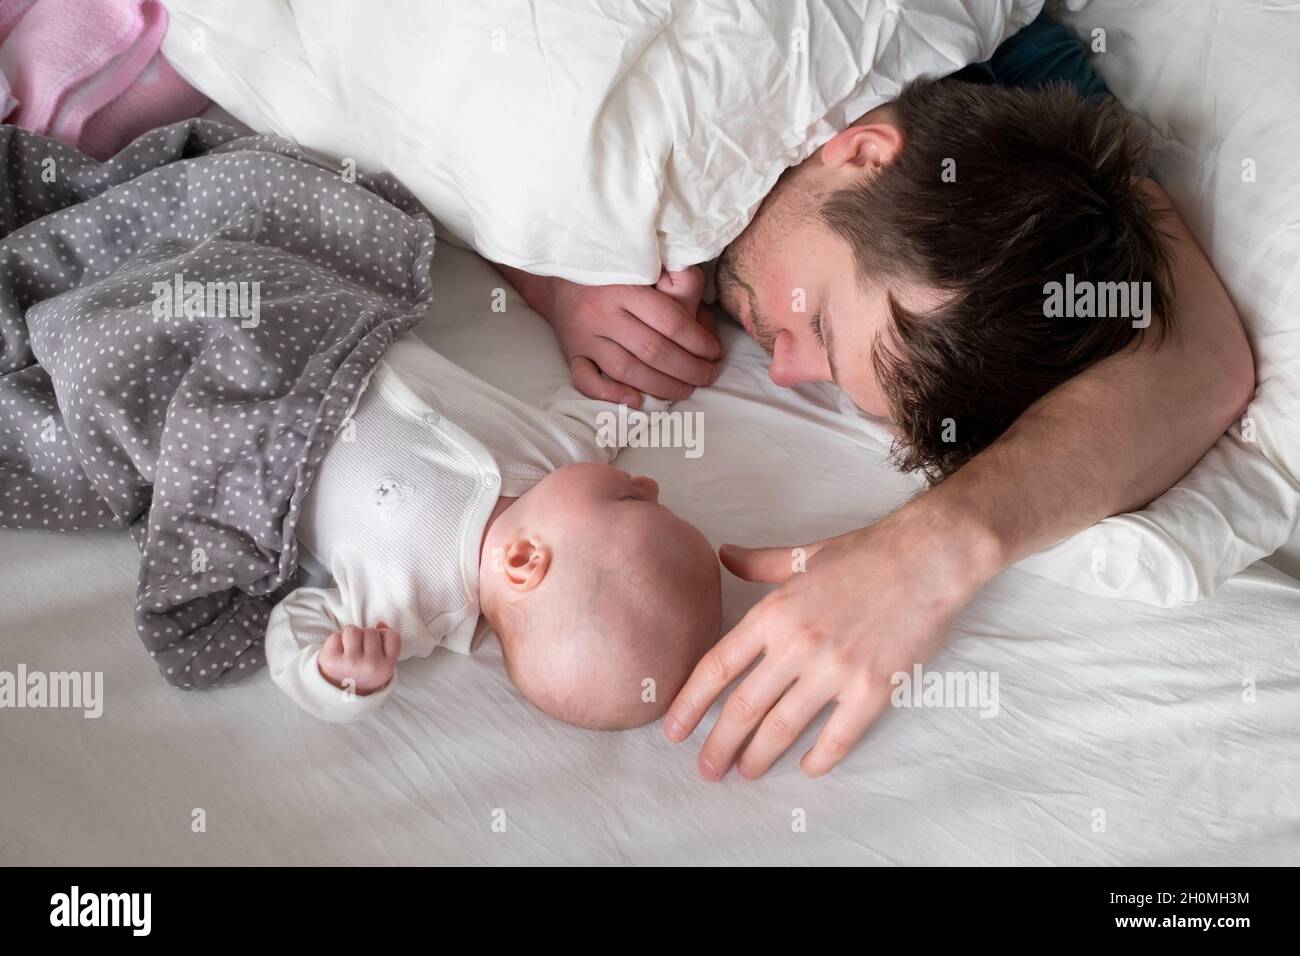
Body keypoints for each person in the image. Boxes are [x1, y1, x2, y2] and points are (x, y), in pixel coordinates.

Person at [493, 16, 1255, 778]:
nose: (785, 370)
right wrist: (557, 254)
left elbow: (1199, 356)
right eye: (817, 320)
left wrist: (555, 283)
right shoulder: (990, 65)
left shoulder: (1058, 212)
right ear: (861, 154)